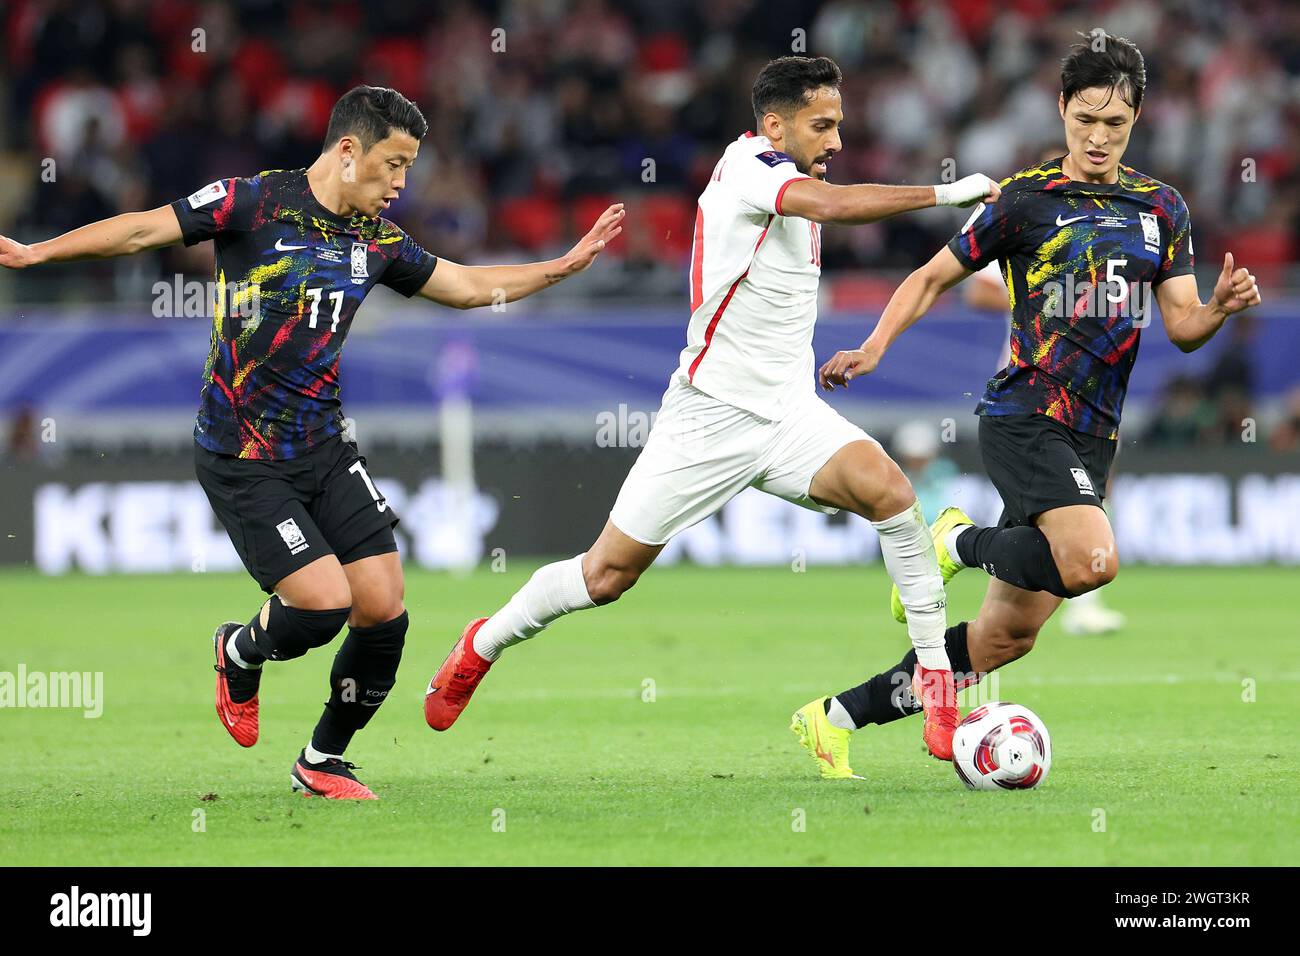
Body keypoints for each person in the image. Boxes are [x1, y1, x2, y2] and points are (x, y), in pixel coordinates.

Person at [0, 85, 625, 799]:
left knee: (384, 610)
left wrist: (560, 268)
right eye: (394, 164)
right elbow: (145, 230)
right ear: (350, 150)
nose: (400, 184)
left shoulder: (378, 241)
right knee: (321, 607)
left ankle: (321, 760)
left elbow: (463, 285)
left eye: (409, 169)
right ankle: (238, 650)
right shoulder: (254, 202)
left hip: (324, 448)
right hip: (243, 454)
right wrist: (36, 255)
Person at [421, 55, 1001, 775]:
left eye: (840, 125)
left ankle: (935, 684)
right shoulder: (747, 169)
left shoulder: (799, 175)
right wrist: (948, 192)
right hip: (708, 417)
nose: (837, 142)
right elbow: (835, 208)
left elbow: (822, 214)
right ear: (774, 125)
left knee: (894, 496)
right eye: (822, 126)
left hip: (789, 415)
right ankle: (482, 644)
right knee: (606, 577)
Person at [817, 34, 1261, 739]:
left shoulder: (1162, 209)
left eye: (1114, 123)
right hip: (1026, 416)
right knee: (1091, 562)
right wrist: (874, 346)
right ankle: (958, 540)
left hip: (1094, 439)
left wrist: (1218, 309)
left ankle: (836, 716)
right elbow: (933, 276)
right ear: (1060, 110)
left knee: (1005, 638)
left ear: (1136, 119)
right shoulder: (1025, 200)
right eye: (1084, 119)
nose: (1097, 137)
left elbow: (1181, 326)